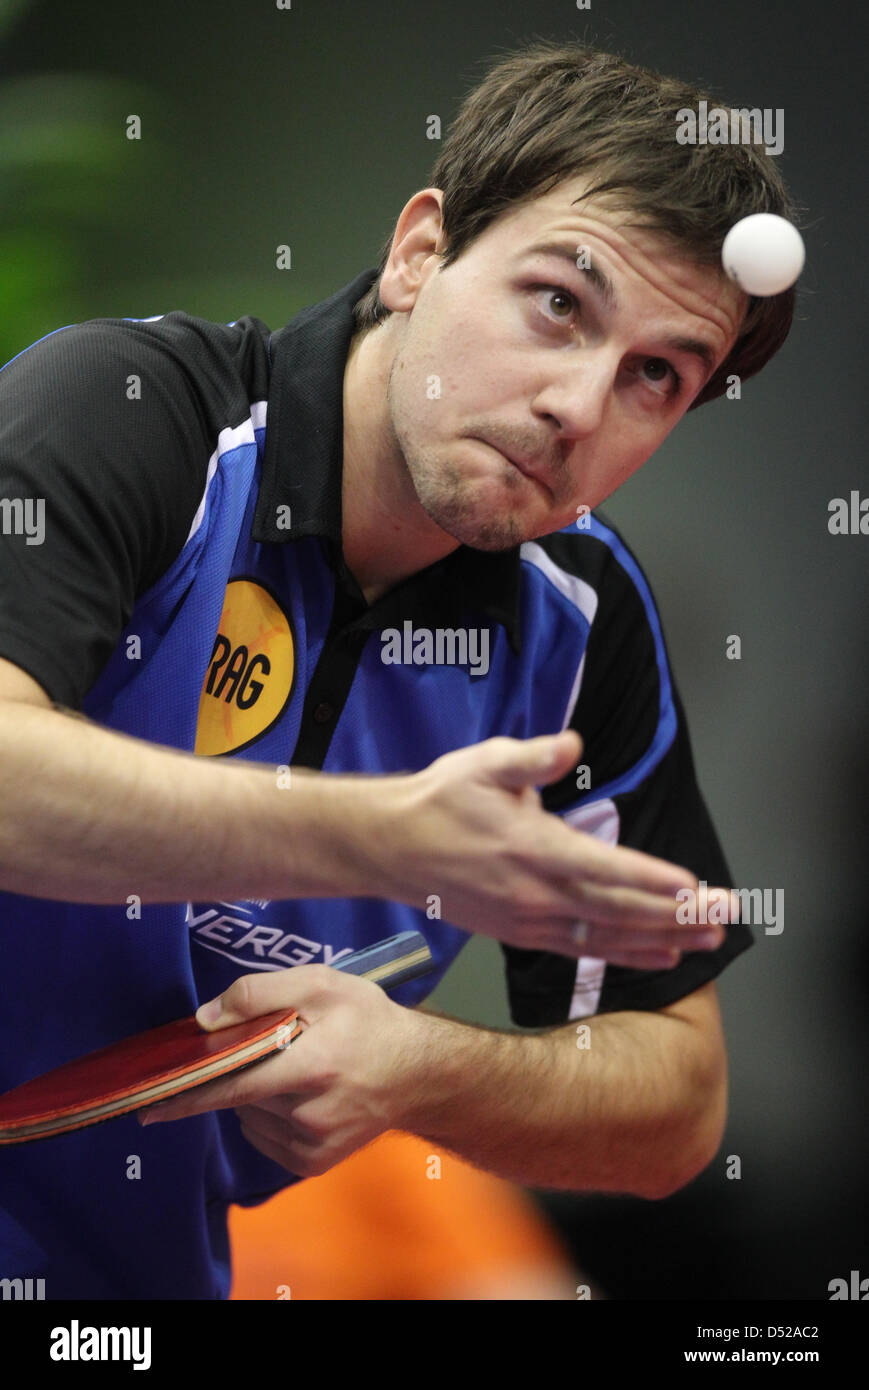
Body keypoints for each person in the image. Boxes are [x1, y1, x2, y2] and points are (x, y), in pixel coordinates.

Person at [0, 40, 797, 1299]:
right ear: (419, 250)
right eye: (558, 301)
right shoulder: (137, 413)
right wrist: (384, 837)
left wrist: (418, 1067)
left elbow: (677, 1100)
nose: (578, 405)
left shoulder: (579, 624)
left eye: (656, 374)